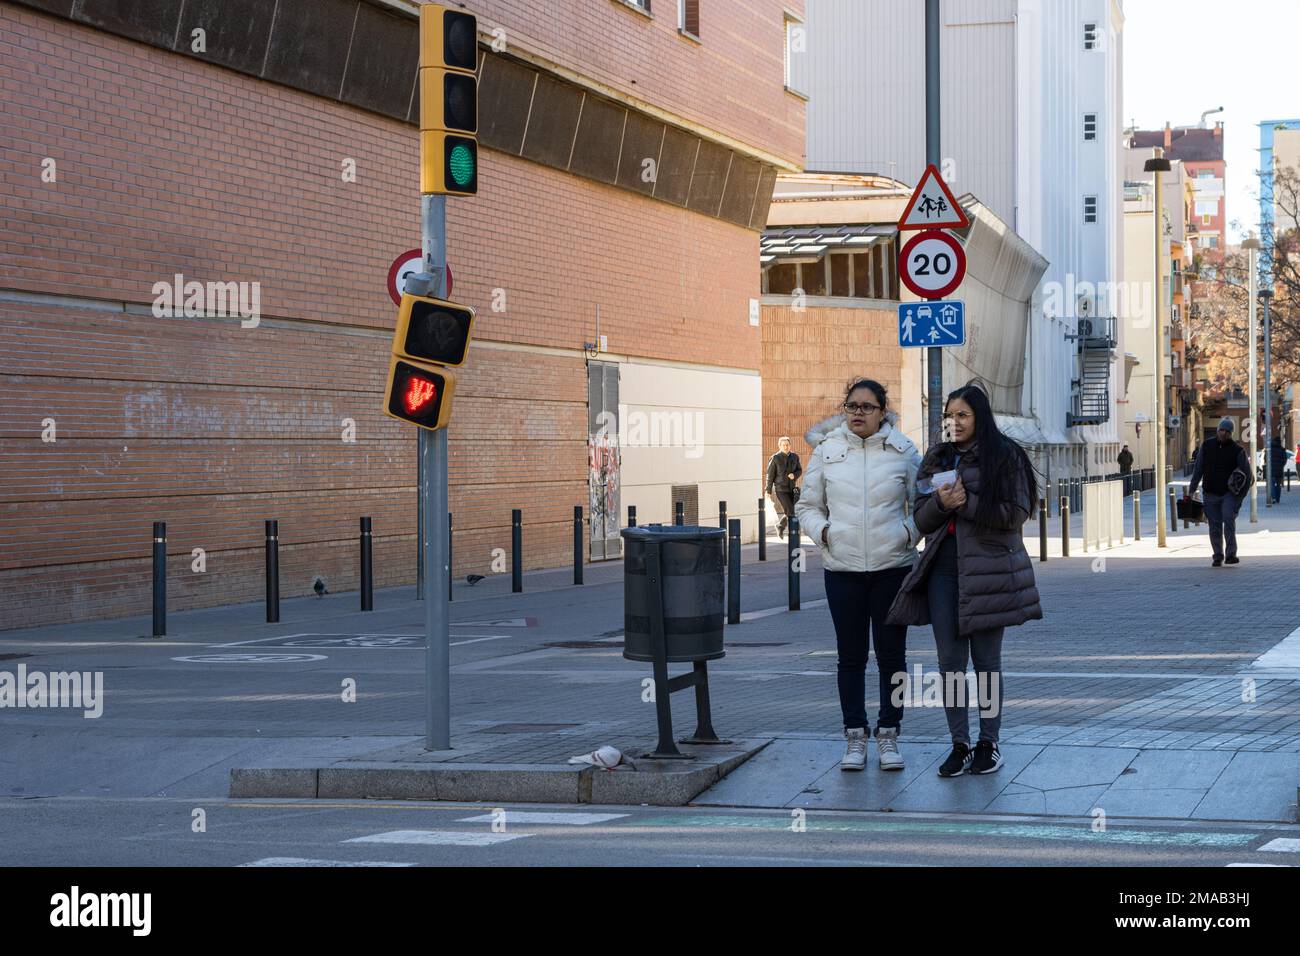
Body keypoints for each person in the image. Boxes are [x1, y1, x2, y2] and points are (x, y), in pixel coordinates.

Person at [887, 384, 1042, 777]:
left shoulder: (1005, 456)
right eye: (949, 416)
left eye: (963, 416)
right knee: (950, 663)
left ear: (980, 417)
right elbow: (920, 518)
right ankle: (960, 743)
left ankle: (989, 743)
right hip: (944, 570)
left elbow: (1016, 513)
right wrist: (941, 504)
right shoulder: (937, 457)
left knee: (987, 663)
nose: (954, 423)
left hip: (990, 571)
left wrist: (966, 503)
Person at [796, 379, 921, 773]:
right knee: (850, 658)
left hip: (892, 568)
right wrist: (826, 534)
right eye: (852, 406)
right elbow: (807, 506)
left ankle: (888, 734)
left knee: (891, 657)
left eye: (868, 407)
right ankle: (854, 735)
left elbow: (923, 505)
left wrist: (907, 534)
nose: (858, 414)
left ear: (883, 411)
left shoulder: (903, 452)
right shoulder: (827, 452)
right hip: (843, 570)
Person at [1186, 418, 1251, 567]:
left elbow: (1248, 475)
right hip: (1210, 493)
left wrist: (1240, 497)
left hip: (1229, 494)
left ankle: (1231, 555)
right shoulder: (1207, 446)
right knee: (1214, 525)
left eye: (1227, 431)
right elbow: (1198, 469)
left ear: (1231, 433)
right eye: (1222, 430)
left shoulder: (1237, 450)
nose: (1224, 433)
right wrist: (1192, 489)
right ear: (1218, 430)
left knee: (1228, 520)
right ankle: (1217, 555)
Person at [765, 437, 802, 539]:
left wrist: (794, 475)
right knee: (790, 511)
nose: (786, 446)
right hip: (781, 489)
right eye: (783, 445)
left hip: (792, 488)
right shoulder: (775, 458)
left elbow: (799, 470)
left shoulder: (795, 457)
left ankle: (780, 526)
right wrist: (768, 490)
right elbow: (769, 475)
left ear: (790, 445)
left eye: (787, 445)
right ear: (780, 446)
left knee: (791, 511)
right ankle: (794, 534)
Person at [1268, 435, 1287, 504]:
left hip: (1271, 469)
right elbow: (1285, 460)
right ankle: (1278, 499)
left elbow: (1266, 459)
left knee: (1272, 484)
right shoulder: (1282, 449)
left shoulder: (1270, 449)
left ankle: (1273, 498)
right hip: (1279, 470)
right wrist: (1281, 465)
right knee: (1278, 485)